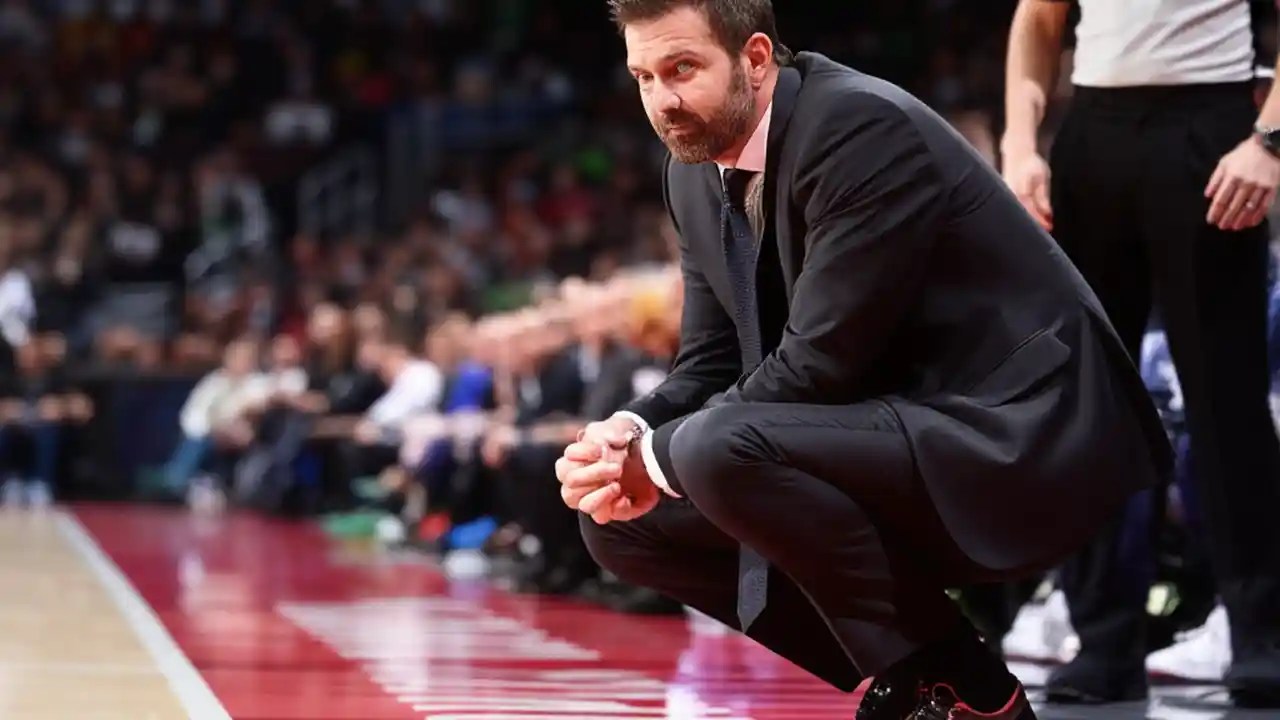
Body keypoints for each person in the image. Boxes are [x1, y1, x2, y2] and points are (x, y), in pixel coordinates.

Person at [553, 1, 1171, 718]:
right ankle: (928, 668)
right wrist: (624, 435)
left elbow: (821, 364)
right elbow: (710, 362)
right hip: (896, 423)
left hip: (1020, 428)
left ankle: (957, 681)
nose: (663, 99)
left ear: (755, 58)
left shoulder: (856, 127)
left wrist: (661, 456)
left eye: (682, 68)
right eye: (643, 77)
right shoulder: (690, 172)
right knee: (618, 518)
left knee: (713, 449)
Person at [1003, 0, 1280, 706]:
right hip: (1093, 131)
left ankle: (1260, 634)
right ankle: (1103, 641)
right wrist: (1020, 143)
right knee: (1092, 402)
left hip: (1211, 124)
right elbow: (1039, 18)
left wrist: (1270, 140)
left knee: (1226, 398)